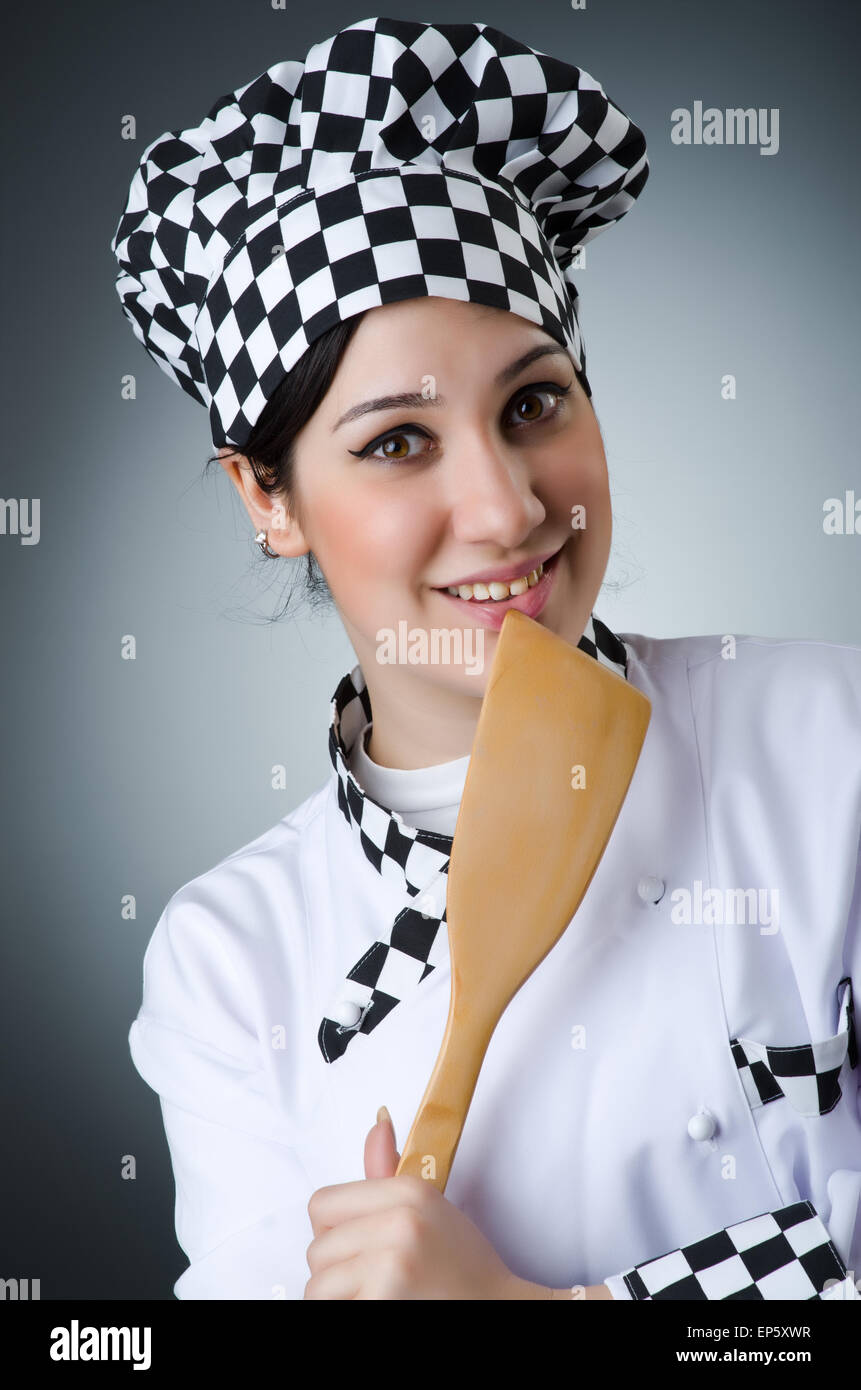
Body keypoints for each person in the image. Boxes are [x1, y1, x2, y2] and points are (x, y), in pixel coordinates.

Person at [110, 16, 860, 1300]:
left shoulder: (830, 739)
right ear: (266, 498)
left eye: (533, 403)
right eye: (398, 440)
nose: (509, 507)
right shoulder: (230, 960)